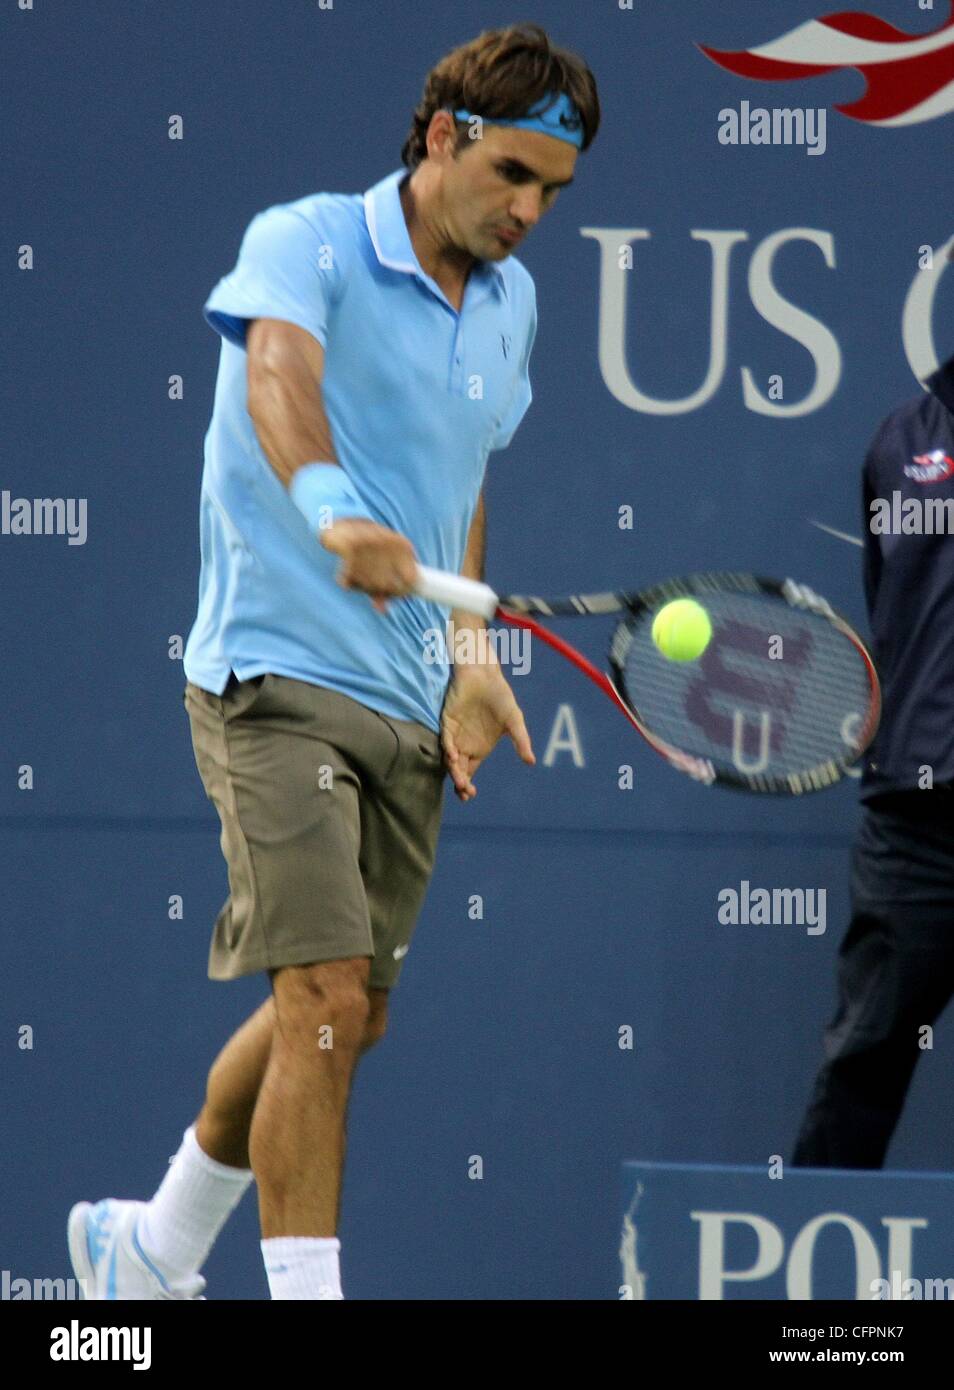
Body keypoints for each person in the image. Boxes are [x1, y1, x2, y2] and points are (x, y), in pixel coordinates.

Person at [67, 22, 600, 1300]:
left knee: (348, 1010)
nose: (530, 212)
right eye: (512, 175)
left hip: (409, 692)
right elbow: (277, 374)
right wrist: (331, 509)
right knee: (316, 989)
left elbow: (463, 479)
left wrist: (473, 655)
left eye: (553, 194)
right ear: (441, 138)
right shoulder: (304, 240)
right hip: (272, 672)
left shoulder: (515, 303)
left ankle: (149, 1249)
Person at [792, 315, 954, 1169]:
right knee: (863, 1067)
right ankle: (815, 1299)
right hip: (914, 828)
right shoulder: (903, 443)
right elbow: (892, 619)